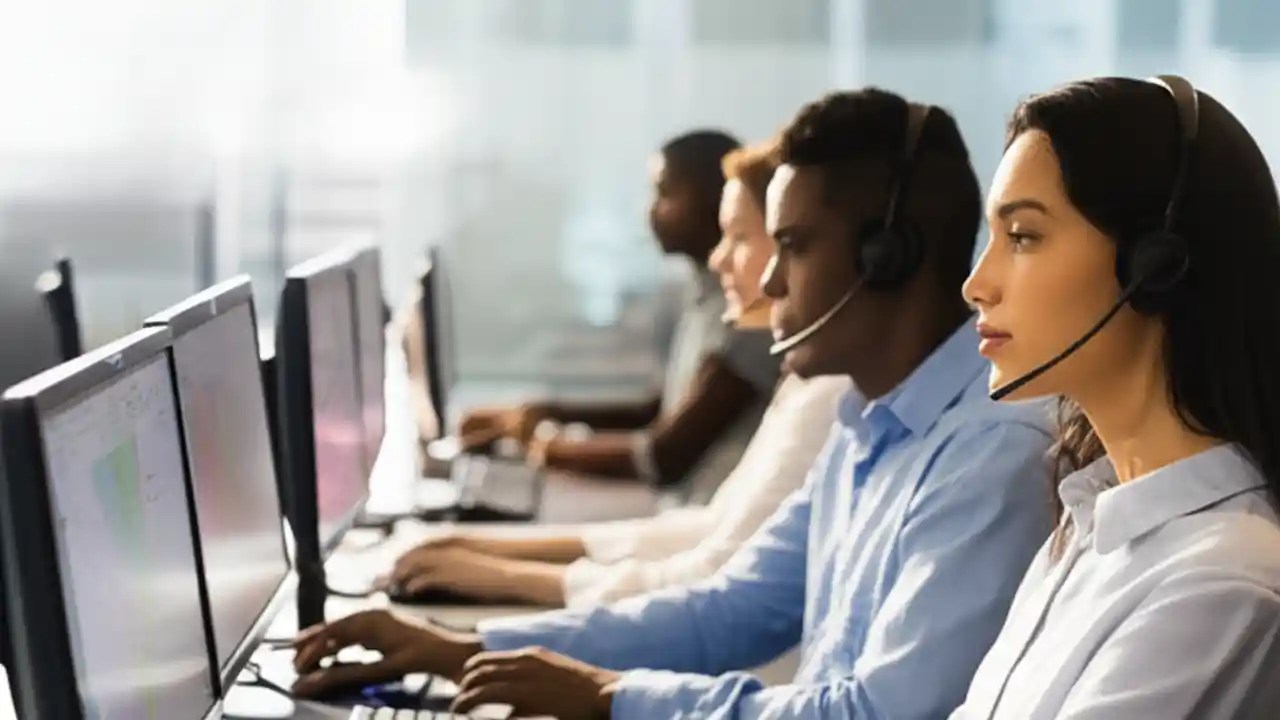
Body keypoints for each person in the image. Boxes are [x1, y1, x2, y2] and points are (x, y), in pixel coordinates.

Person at [292, 88, 1057, 719]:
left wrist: (612, 698)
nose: (768, 284)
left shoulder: (989, 452)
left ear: (887, 258)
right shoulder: (868, 425)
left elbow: (875, 715)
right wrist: (467, 651)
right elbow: (731, 609)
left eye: (792, 246)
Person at [384, 140, 849, 608]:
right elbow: (708, 530)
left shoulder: (824, 392)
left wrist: (496, 575)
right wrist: (488, 550)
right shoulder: (798, 379)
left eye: (740, 236)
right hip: (679, 533)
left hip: (686, 552)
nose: (719, 258)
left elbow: (703, 555)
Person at [952, 76, 1280, 718]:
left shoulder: (1218, 578)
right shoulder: (1086, 526)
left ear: (1155, 264)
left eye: (1022, 237)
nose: (976, 284)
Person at [458, 130, 782, 494]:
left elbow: (667, 455)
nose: (649, 210)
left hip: (697, 514)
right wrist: (539, 413)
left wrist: (541, 445)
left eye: (665, 193)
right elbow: (659, 410)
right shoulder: (703, 296)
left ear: (713, 197)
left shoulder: (750, 315)